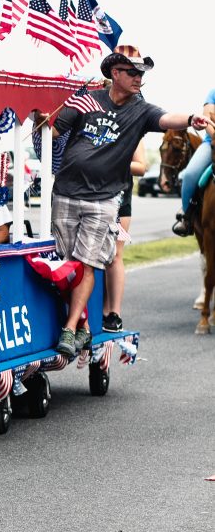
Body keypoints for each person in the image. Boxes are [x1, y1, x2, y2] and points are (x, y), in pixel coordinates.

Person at [50, 45, 209, 358]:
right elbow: (53, 130)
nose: (139, 78)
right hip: (66, 192)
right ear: (115, 73)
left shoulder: (140, 109)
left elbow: (166, 118)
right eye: (133, 72)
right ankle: (82, 326)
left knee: (88, 262)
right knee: (69, 265)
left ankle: (69, 328)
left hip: (103, 199)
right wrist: (37, 120)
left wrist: (192, 119)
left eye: (142, 73)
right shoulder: (86, 99)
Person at [101, 140, 147, 331]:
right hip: (90, 198)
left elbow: (141, 167)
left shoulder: (134, 127)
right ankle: (95, 310)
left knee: (115, 255)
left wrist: (110, 160)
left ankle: (114, 313)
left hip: (120, 202)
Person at [172, 90, 215, 235]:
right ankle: (186, 218)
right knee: (190, 174)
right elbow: (207, 118)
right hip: (212, 142)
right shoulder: (213, 93)